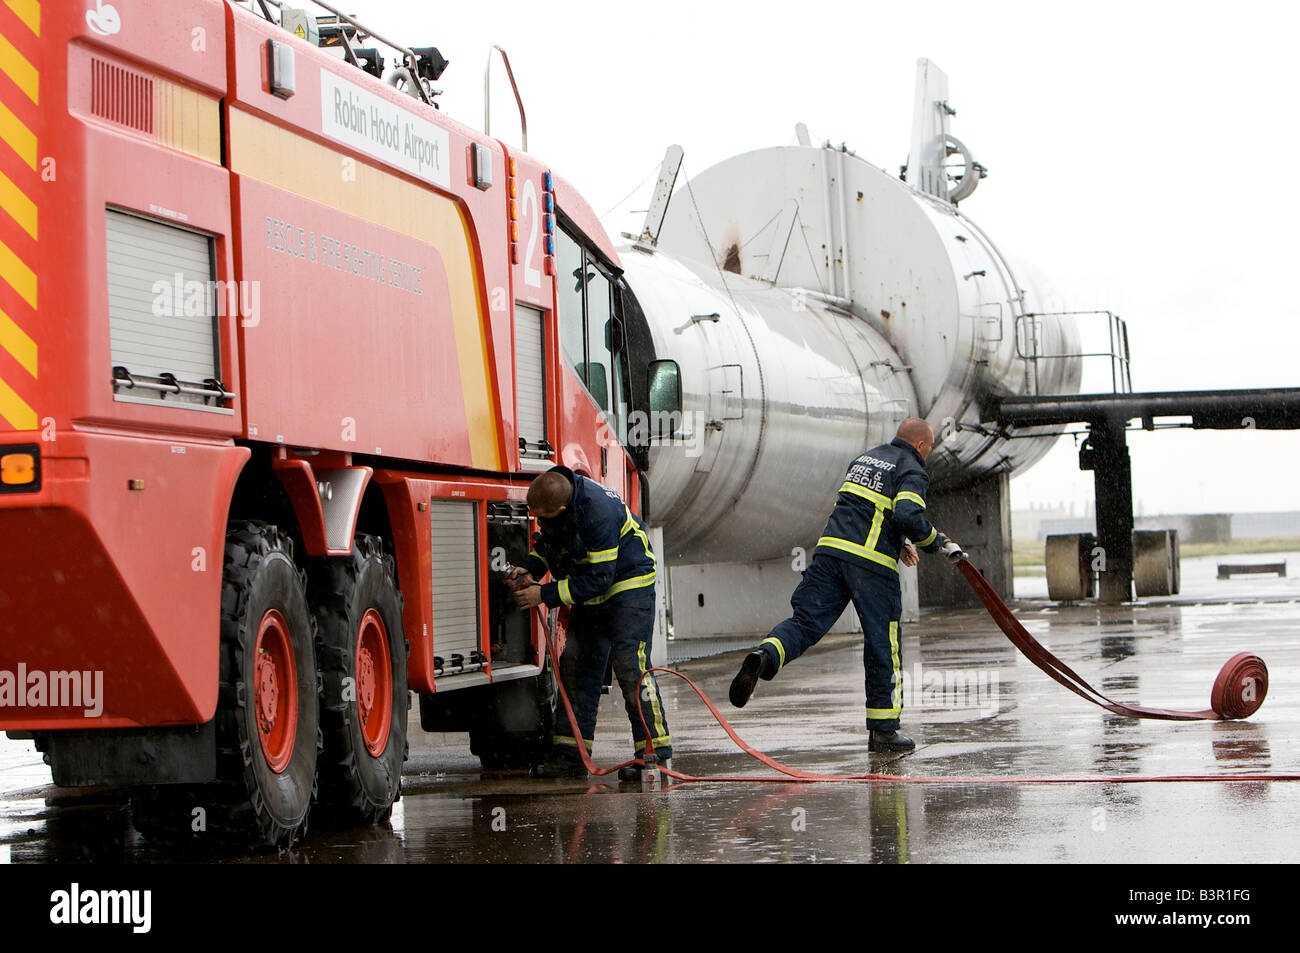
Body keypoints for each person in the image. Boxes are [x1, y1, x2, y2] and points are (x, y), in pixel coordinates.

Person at [728, 418, 963, 751]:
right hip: (871, 569)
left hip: (830, 555)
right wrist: (934, 541)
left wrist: (897, 543)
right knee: (883, 644)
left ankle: (764, 656)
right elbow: (908, 514)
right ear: (923, 445)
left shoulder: (866, 459)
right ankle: (884, 731)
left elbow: (866, 510)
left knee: (805, 623)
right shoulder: (912, 468)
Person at [510, 466, 672, 780]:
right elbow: (550, 545)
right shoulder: (561, 504)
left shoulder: (599, 512)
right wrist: (529, 567)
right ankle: (571, 756)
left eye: (542, 515)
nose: (538, 521)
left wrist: (543, 593)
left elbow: (599, 579)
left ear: (559, 508)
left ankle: (654, 756)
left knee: (629, 665)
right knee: (577, 665)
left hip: (628, 586)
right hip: (594, 588)